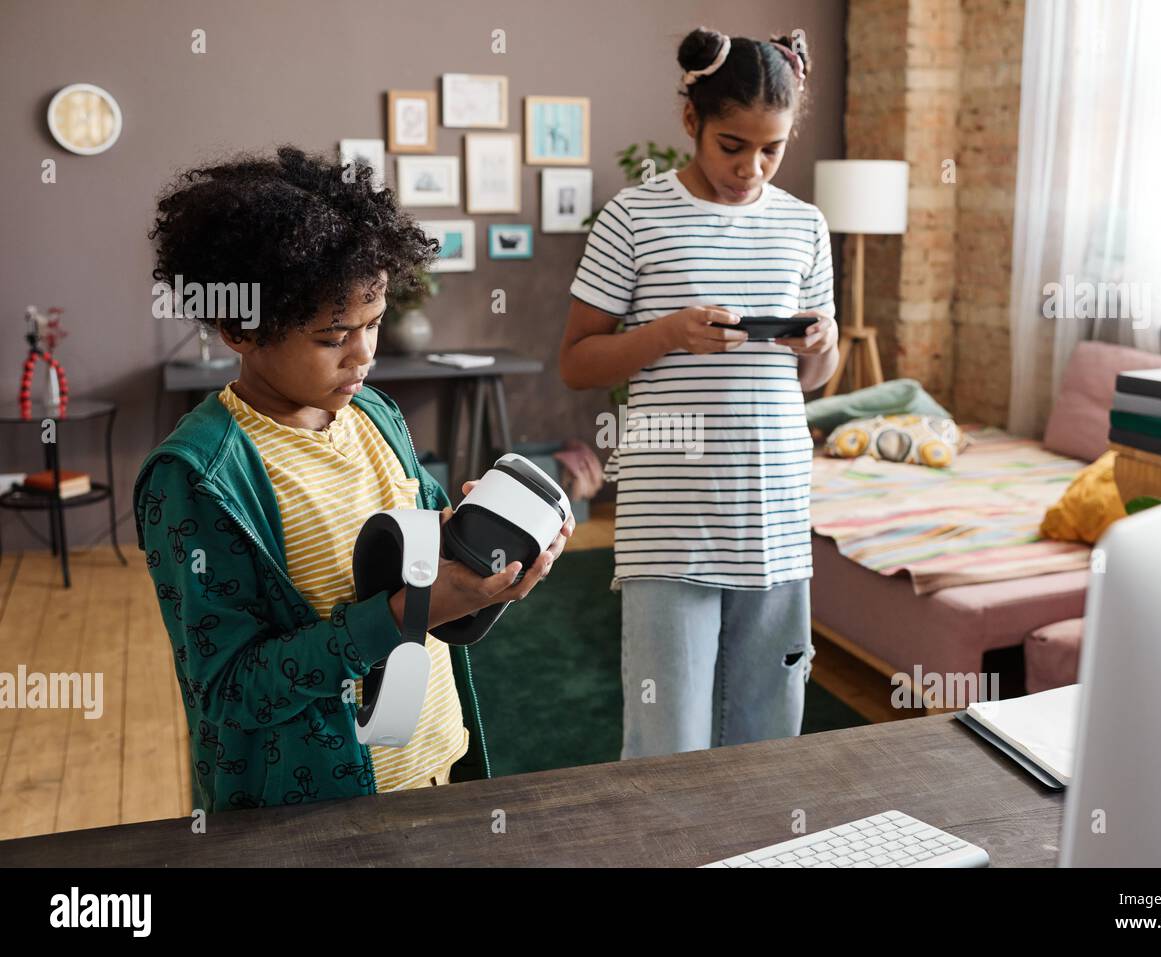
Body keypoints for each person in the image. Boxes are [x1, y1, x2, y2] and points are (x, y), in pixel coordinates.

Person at [136, 146, 571, 812]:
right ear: (238, 328)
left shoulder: (374, 412)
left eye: (373, 322)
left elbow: (426, 551)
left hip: (438, 766)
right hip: (316, 815)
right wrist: (404, 615)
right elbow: (229, 689)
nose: (365, 353)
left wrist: (483, 557)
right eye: (333, 334)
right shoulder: (198, 478)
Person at [559, 27, 838, 758]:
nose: (752, 168)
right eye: (732, 145)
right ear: (692, 122)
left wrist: (823, 346)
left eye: (772, 149)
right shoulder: (633, 216)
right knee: (667, 738)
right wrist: (667, 335)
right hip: (671, 513)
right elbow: (577, 362)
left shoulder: (806, 226)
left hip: (775, 506)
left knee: (769, 734)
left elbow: (812, 380)